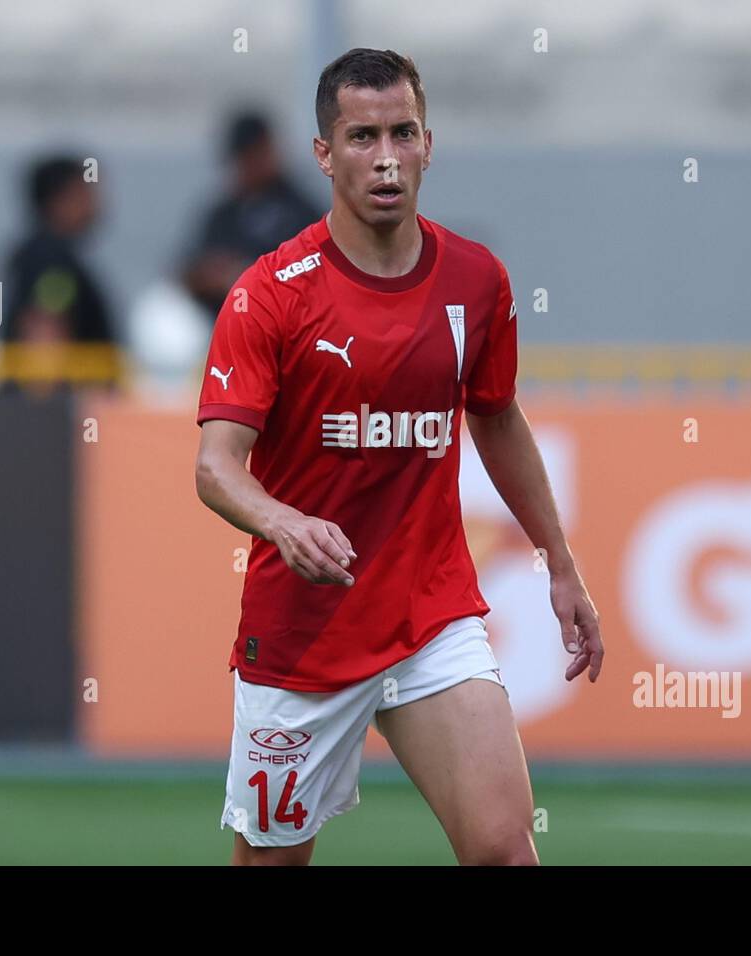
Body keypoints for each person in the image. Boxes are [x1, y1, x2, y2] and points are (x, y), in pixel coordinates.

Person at [193, 48, 602, 866]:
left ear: (427, 143)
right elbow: (215, 465)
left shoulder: (476, 281)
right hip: (305, 632)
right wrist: (283, 523)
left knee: (504, 852)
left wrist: (560, 560)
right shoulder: (271, 293)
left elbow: (497, 418)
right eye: (361, 136)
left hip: (430, 615)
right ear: (323, 153)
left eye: (402, 133)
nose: (385, 157)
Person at [180, 111, 323, 326]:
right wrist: (209, 276)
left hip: (281, 327)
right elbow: (189, 269)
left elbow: (314, 276)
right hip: (219, 325)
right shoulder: (223, 212)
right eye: (241, 158)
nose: (247, 166)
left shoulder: (299, 211)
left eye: (253, 155)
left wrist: (241, 274)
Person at [0, 155, 115, 347]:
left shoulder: (33, 253)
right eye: (85, 192)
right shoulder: (50, 259)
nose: (96, 203)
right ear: (59, 199)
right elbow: (44, 338)